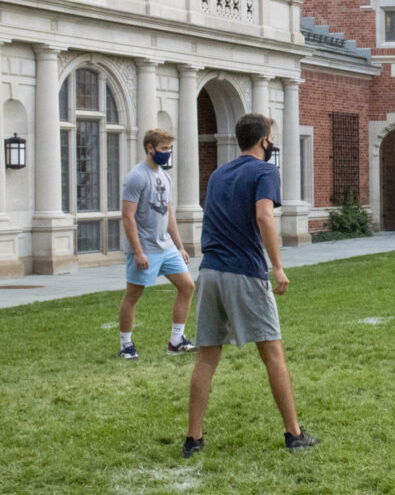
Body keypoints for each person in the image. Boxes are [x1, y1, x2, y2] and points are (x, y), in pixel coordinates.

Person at [183, 113, 319, 457]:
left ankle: (193, 439)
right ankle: (294, 434)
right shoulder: (265, 171)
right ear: (264, 141)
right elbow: (263, 216)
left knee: (206, 357)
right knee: (273, 354)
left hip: (210, 272)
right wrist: (277, 266)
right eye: (271, 137)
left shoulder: (217, 174)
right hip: (244, 272)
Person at [117, 129, 196, 360]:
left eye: (169, 149)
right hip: (145, 248)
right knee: (133, 295)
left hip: (166, 246)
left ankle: (176, 341)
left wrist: (179, 246)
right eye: (163, 149)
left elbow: (168, 213)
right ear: (150, 148)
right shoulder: (136, 177)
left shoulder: (165, 175)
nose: (167, 153)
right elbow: (127, 217)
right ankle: (125, 345)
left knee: (187, 286)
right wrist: (138, 252)